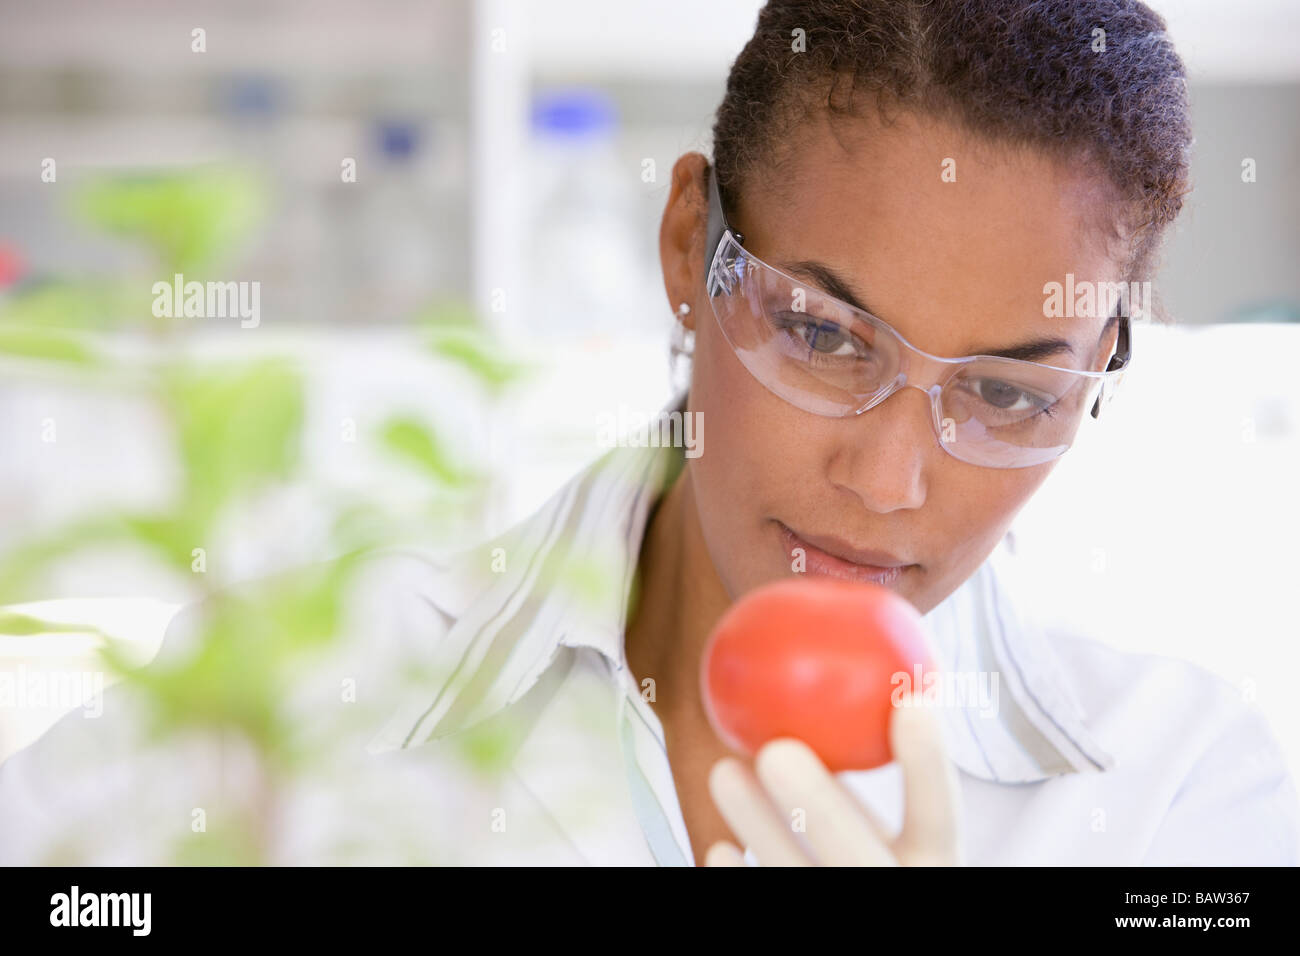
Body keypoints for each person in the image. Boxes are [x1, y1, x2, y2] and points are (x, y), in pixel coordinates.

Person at [1, 0, 1296, 866]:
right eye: (825, 335)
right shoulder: (297, 683)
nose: (890, 480)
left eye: (1008, 395)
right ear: (691, 245)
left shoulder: (1177, 795)